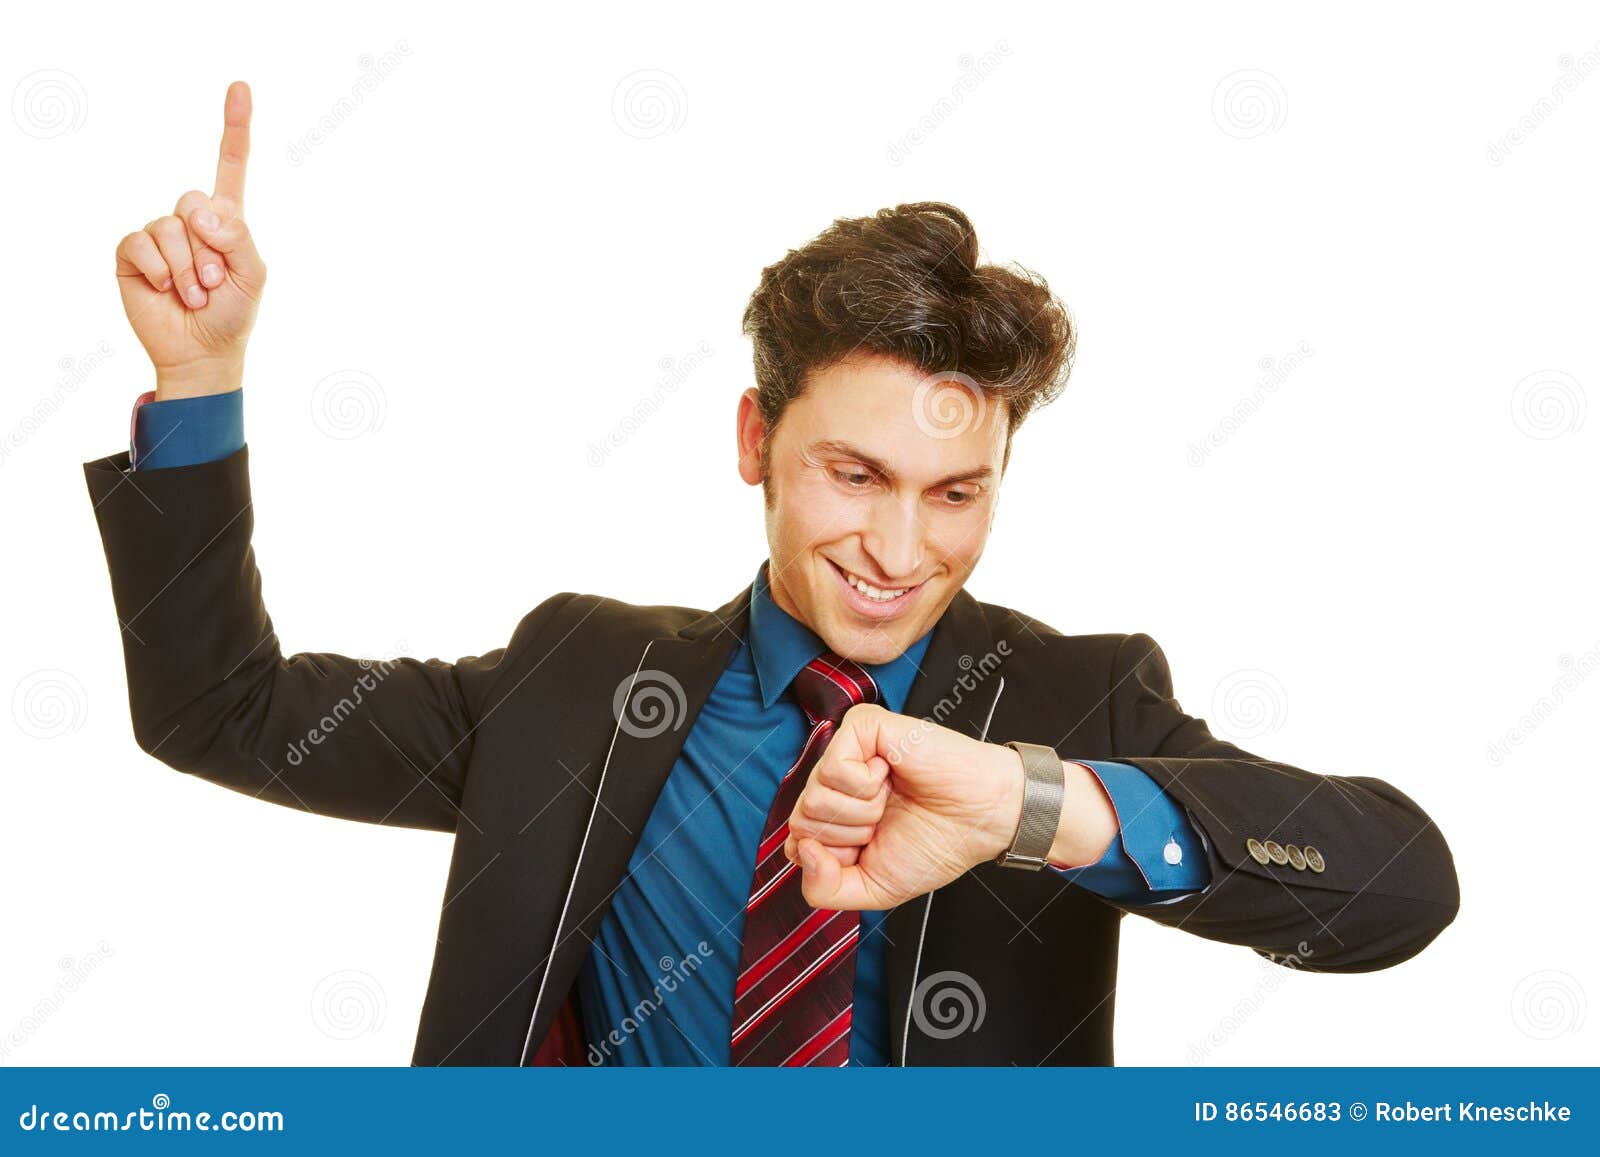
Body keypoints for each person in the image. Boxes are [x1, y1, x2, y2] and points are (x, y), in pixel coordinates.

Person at [85, 81, 1459, 1066]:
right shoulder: (578, 680)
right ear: (757, 438)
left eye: (956, 493)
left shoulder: (1074, 698)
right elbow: (221, 708)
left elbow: (1398, 885)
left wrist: (1040, 805)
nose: (900, 550)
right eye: (854, 475)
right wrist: (199, 378)